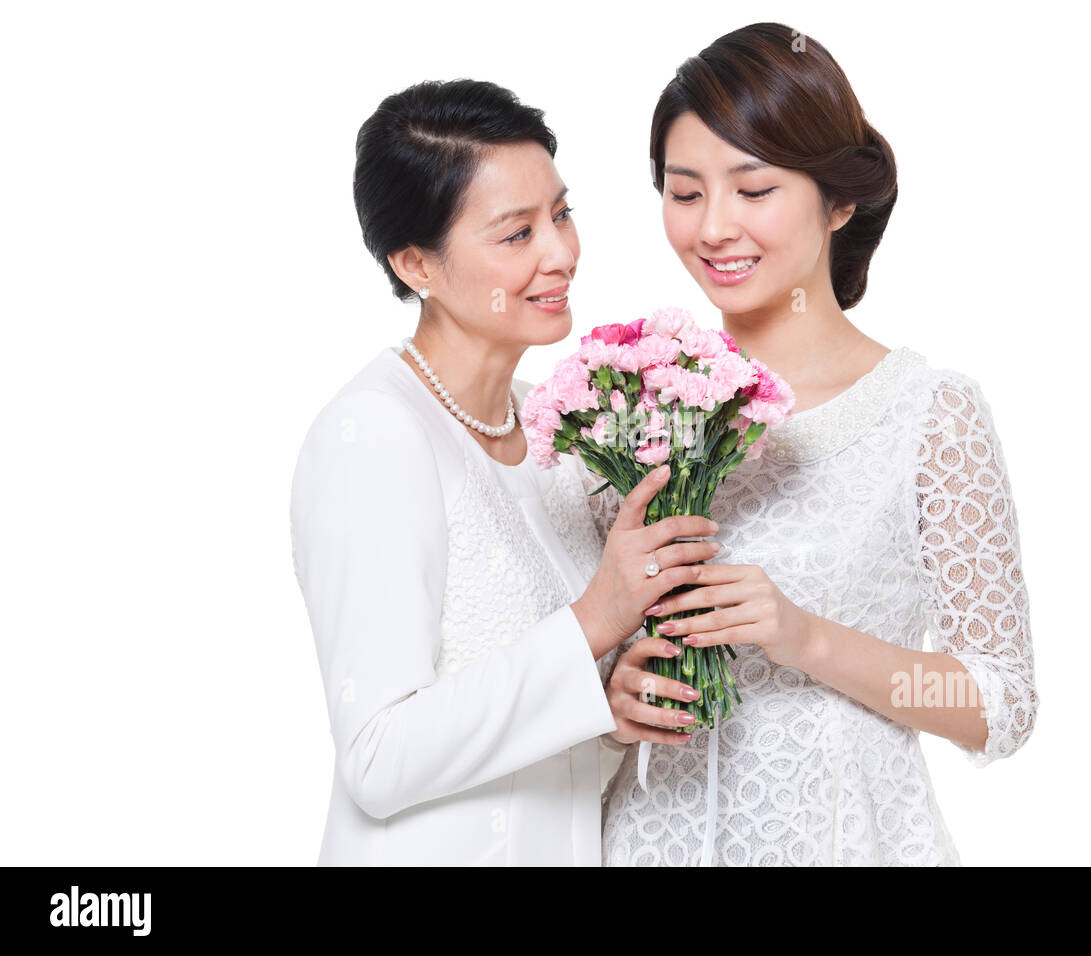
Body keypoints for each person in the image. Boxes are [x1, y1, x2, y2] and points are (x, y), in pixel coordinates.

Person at [590, 23, 1041, 866]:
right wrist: (609, 704)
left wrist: (806, 638)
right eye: (685, 194)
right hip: (651, 840)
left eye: (753, 190)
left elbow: (1000, 701)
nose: (714, 228)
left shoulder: (927, 414)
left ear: (839, 202)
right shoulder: (628, 415)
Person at [288, 79, 717, 865]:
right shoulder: (374, 436)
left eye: (560, 213)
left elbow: (530, 729)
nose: (562, 252)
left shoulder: (551, 428)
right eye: (516, 234)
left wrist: (613, 717)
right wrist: (596, 621)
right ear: (416, 262)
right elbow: (377, 760)